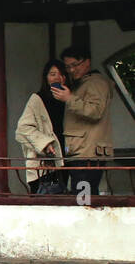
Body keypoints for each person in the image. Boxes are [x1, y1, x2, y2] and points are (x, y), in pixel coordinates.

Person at [55, 44, 112, 196]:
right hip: (82, 150)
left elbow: (95, 111)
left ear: (87, 62)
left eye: (75, 65)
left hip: (88, 152)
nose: (72, 70)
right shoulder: (83, 83)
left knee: (83, 197)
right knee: (83, 194)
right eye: (68, 66)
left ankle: (87, 220)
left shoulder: (96, 83)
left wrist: (69, 98)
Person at [16, 59, 67, 194]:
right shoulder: (38, 99)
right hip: (45, 162)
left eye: (61, 74)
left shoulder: (68, 99)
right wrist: (44, 143)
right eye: (52, 74)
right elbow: (22, 129)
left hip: (66, 156)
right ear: (46, 78)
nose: (57, 77)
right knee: (44, 200)